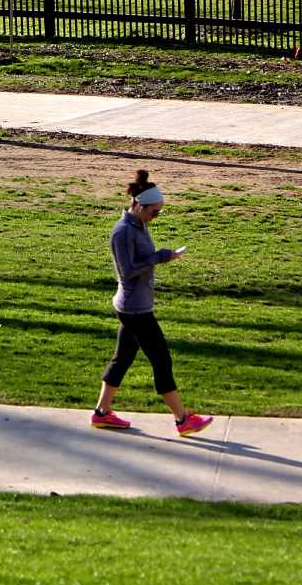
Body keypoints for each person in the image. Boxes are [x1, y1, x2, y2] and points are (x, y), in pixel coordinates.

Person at [90, 170, 213, 437]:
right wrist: (159, 257)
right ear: (139, 205)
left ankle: (102, 413)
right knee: (161, 360)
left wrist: (161, 257)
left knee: (122, 358)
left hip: (136, 305)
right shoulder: (123, 232)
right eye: (154, 212)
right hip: (134, 309)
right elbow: (127, 272)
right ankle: (183, 419)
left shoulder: (139, 225)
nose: (156, 216)